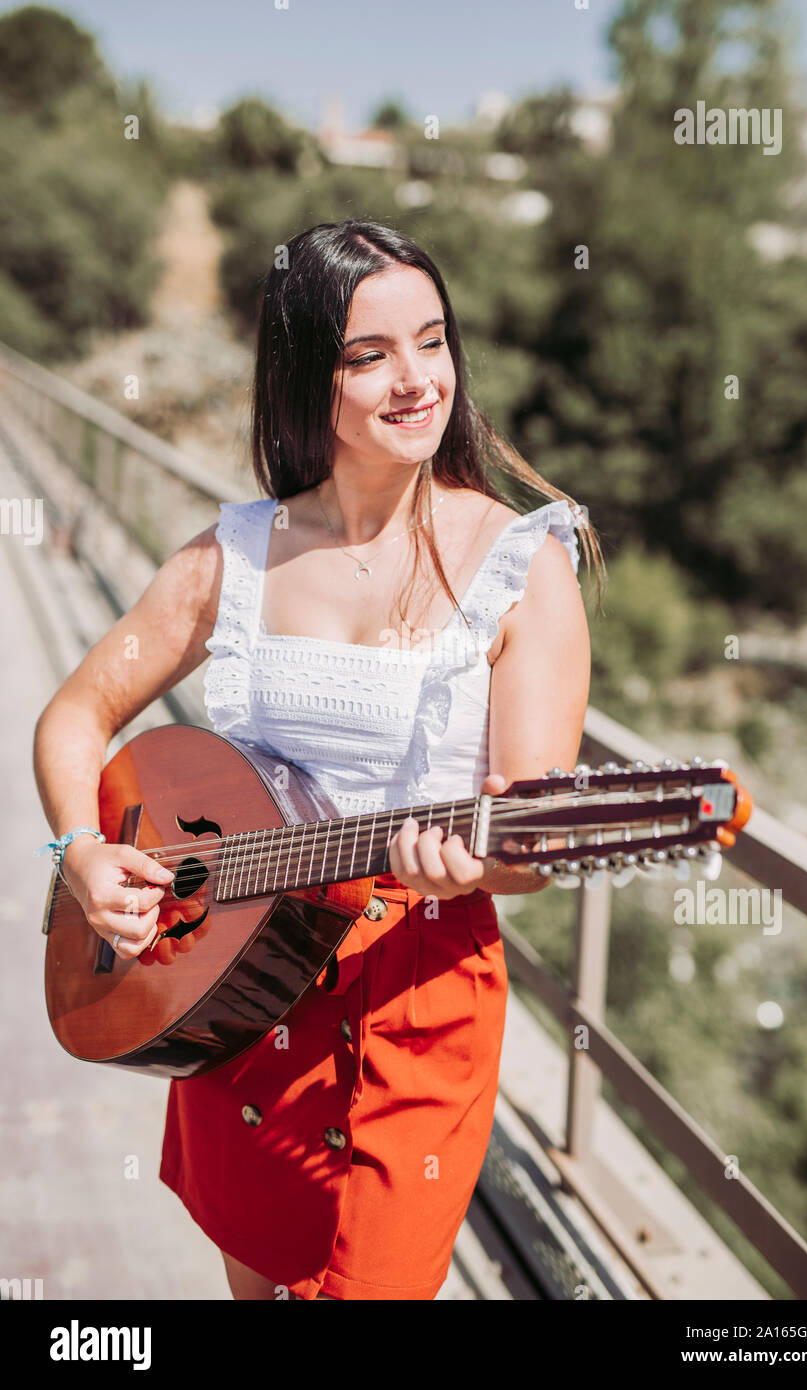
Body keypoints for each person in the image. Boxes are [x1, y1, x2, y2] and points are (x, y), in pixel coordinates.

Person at [32, 219, 603, 1300]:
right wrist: (79, 849)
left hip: (418, 980)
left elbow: (528, 843)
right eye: (367, 354)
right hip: (234, 972)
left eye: (431, 343)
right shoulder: (232, 557)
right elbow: (73, 715)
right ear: (305, 377)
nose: (415, 379)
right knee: (258, 1280)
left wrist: (477, 861)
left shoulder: (524, 564)